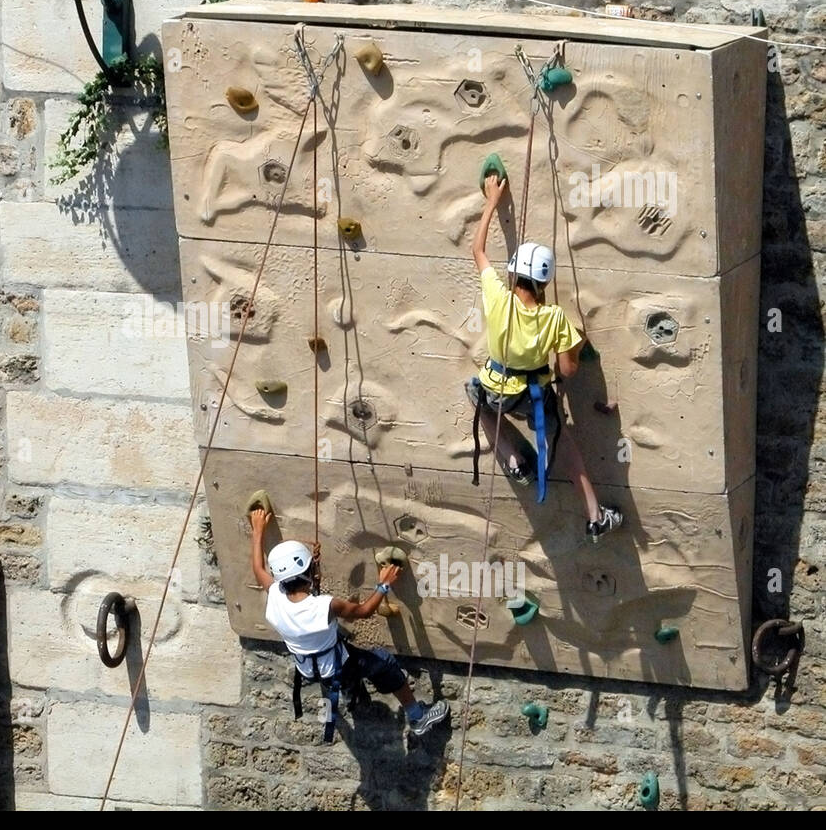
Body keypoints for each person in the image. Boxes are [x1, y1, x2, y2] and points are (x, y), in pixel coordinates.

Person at [468, 168, 623, 542]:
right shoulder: (554, 318)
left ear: (514, 276)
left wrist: (491, 203)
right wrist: (577, 344)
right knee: (564, 444)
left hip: (495, 388)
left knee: (477, 398)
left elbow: (478, 250)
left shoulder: (497, 298)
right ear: (544, 282)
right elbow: (567, 371)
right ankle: (594, 515)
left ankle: (515, 459)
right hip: (534, 395)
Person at [248, 506, 450, 739]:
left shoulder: (274, 596)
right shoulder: (325, 605)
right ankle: (417, 717)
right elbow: (364, 611)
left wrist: (257, 530)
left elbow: (258, 568)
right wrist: (384, 584)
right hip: (337, 666)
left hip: (308, 668)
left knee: (341, 651)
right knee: (384, 662)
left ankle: (349, 689)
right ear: (308, 570)